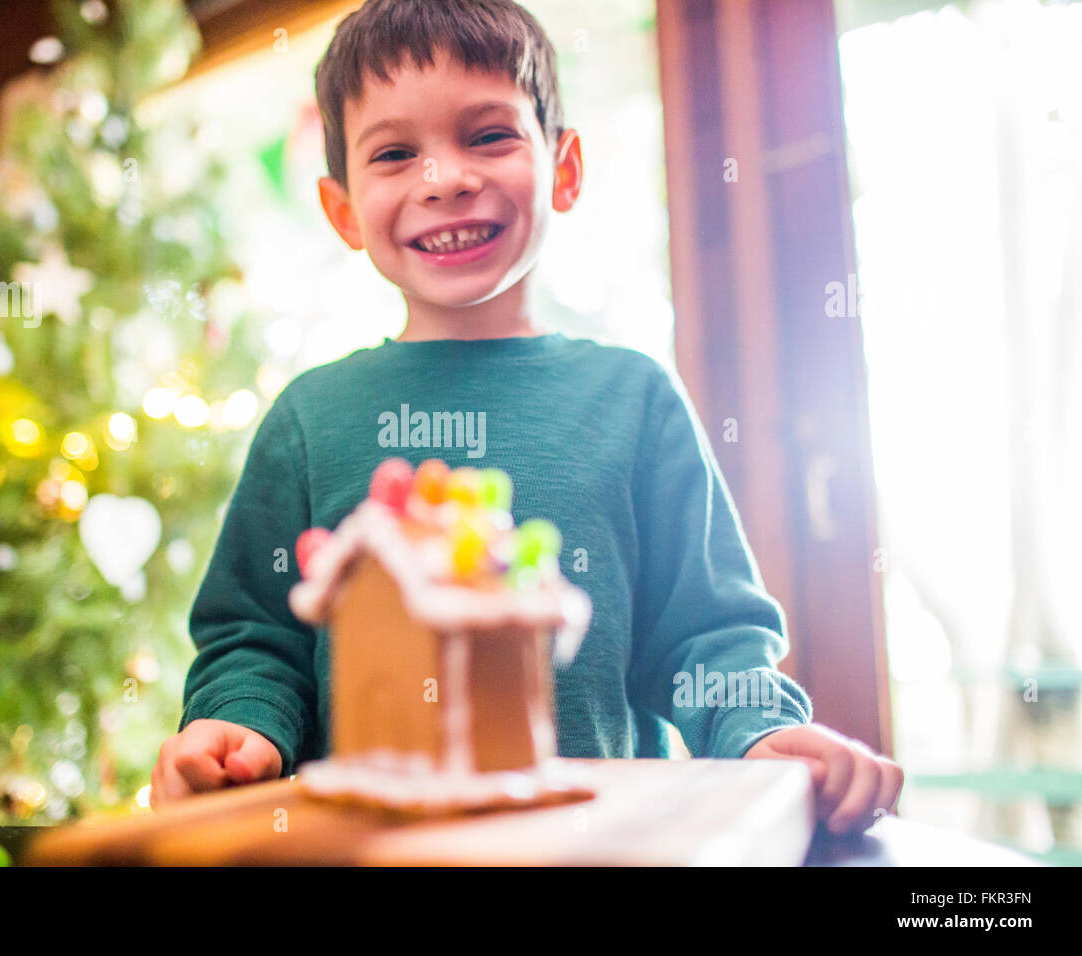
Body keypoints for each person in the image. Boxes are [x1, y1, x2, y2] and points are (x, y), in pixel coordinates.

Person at [151, 0, 902, 836]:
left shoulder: (636, 400)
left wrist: (763, 731)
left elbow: (707, 637)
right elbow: (254, 639)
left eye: (488, 136)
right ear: (344, 212)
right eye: (396, 153)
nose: (446, 179)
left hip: (604, 848)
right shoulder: (305, 420)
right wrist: (237, 726)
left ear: (565, 168)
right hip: (376, 851)